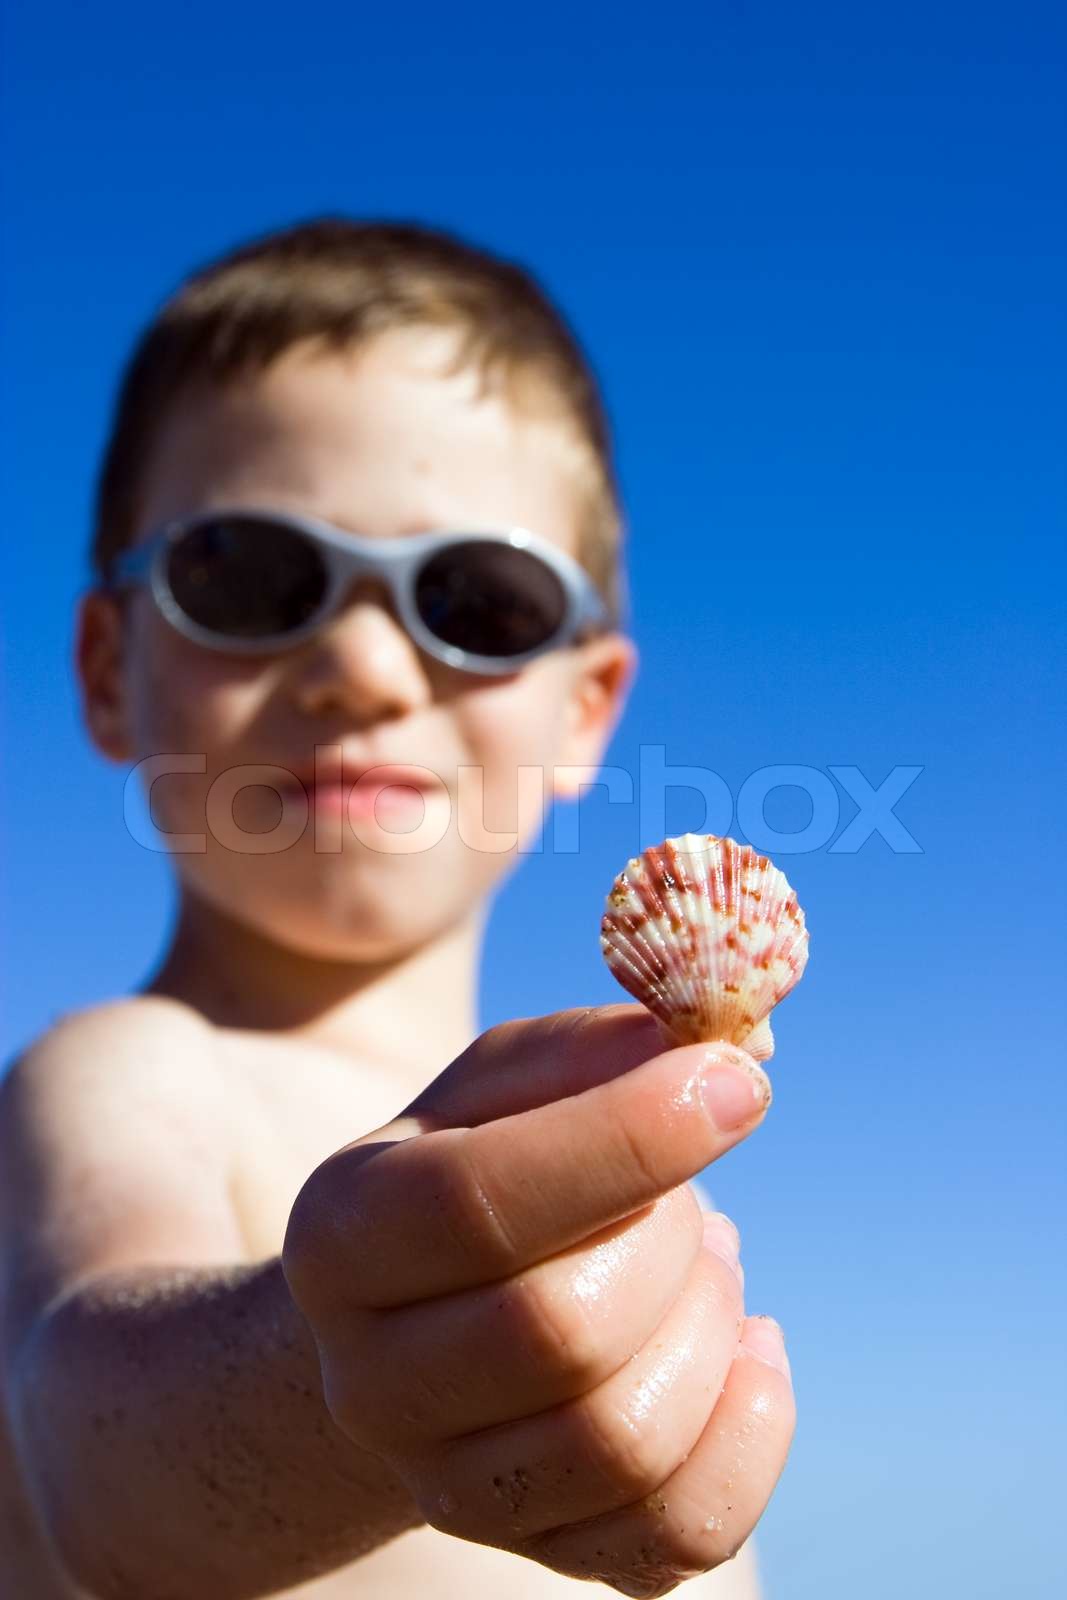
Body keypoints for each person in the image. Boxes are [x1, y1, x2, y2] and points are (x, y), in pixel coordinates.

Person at [0, 217, 794, 1599]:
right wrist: (342, 1390)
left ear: (586, 706)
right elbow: (92, 1458)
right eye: (249, 578)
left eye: (481, 602)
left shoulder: (625, 1157)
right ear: (110, 667)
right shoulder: (132, 1078)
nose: (364, 668)